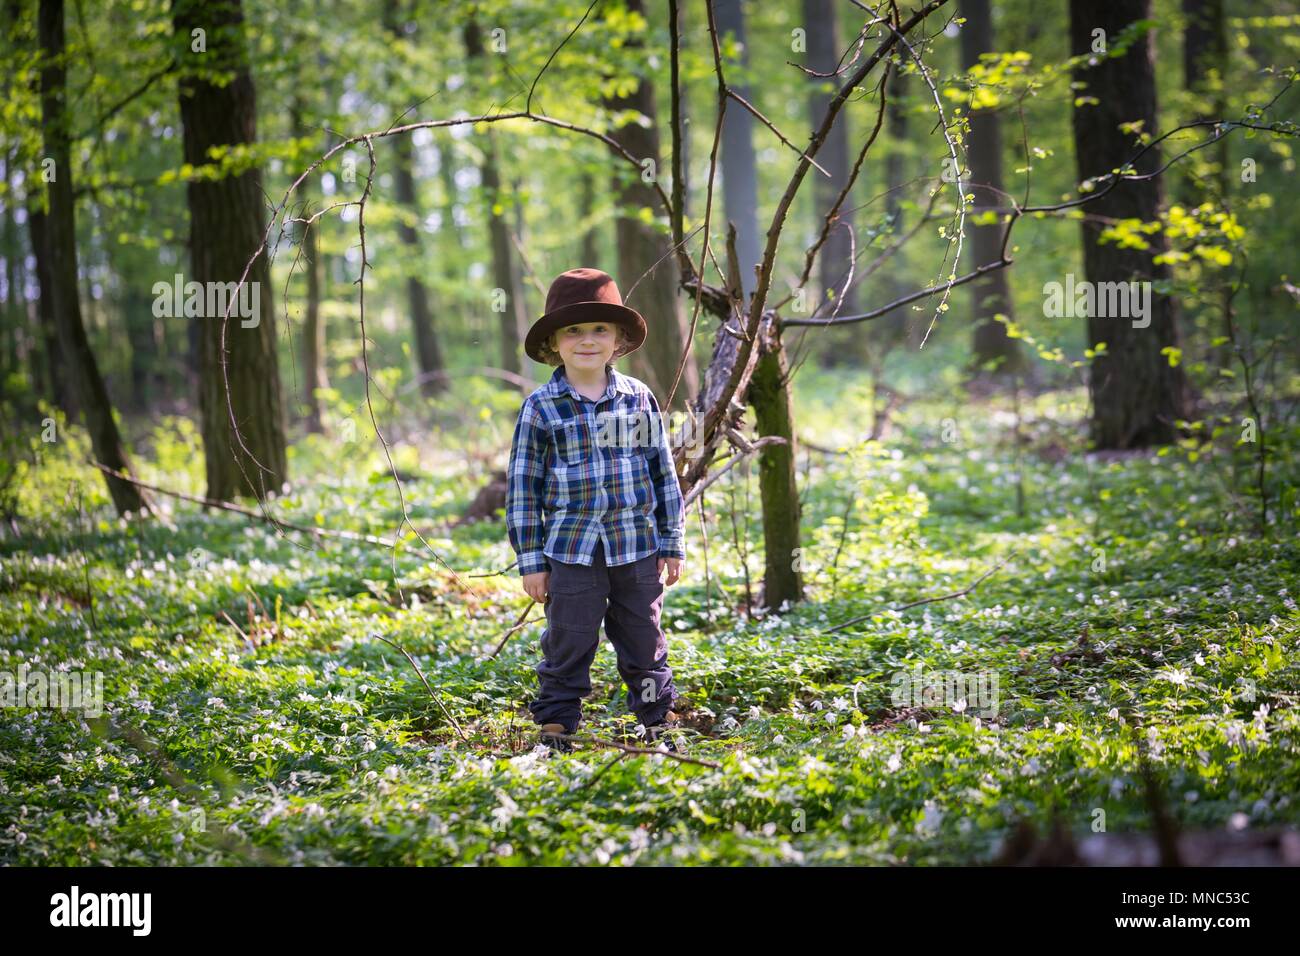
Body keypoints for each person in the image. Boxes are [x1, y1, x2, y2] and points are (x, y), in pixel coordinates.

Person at [505, 267, 686, 754]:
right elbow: (524, 487)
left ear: (618, 339)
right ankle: (558, 723)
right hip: (570, 549)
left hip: (636, 546)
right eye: (574, 331)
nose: (588, 340)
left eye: (599, 329)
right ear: (555, 344)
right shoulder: (541, 408)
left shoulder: (638, 399)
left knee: (643, 637)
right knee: (568, 638)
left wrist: (672, 542)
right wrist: (532, 561)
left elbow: (661, 472)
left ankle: (656, 718)